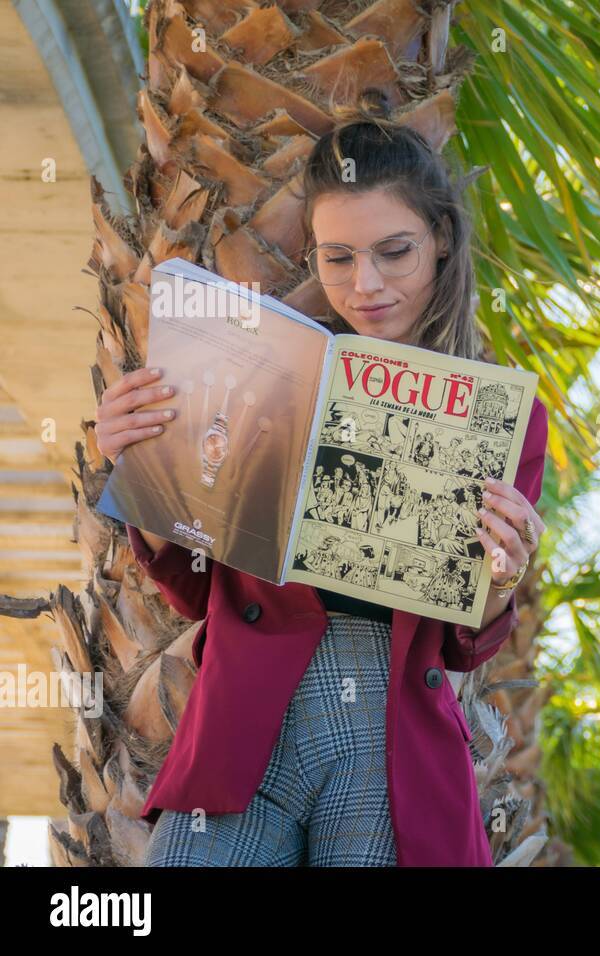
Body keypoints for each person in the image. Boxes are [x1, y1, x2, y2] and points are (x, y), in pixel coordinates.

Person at [91, 89, 549, 866]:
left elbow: (468, 644)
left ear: (440, 238)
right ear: (312, 253)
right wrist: (142, 460)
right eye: (337, 257)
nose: (365, 282)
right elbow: (197, 585)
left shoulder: (504, 414)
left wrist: (503, 577)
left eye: (393, 251)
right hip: (247, 715)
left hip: (385, 734)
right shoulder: (271, 374)